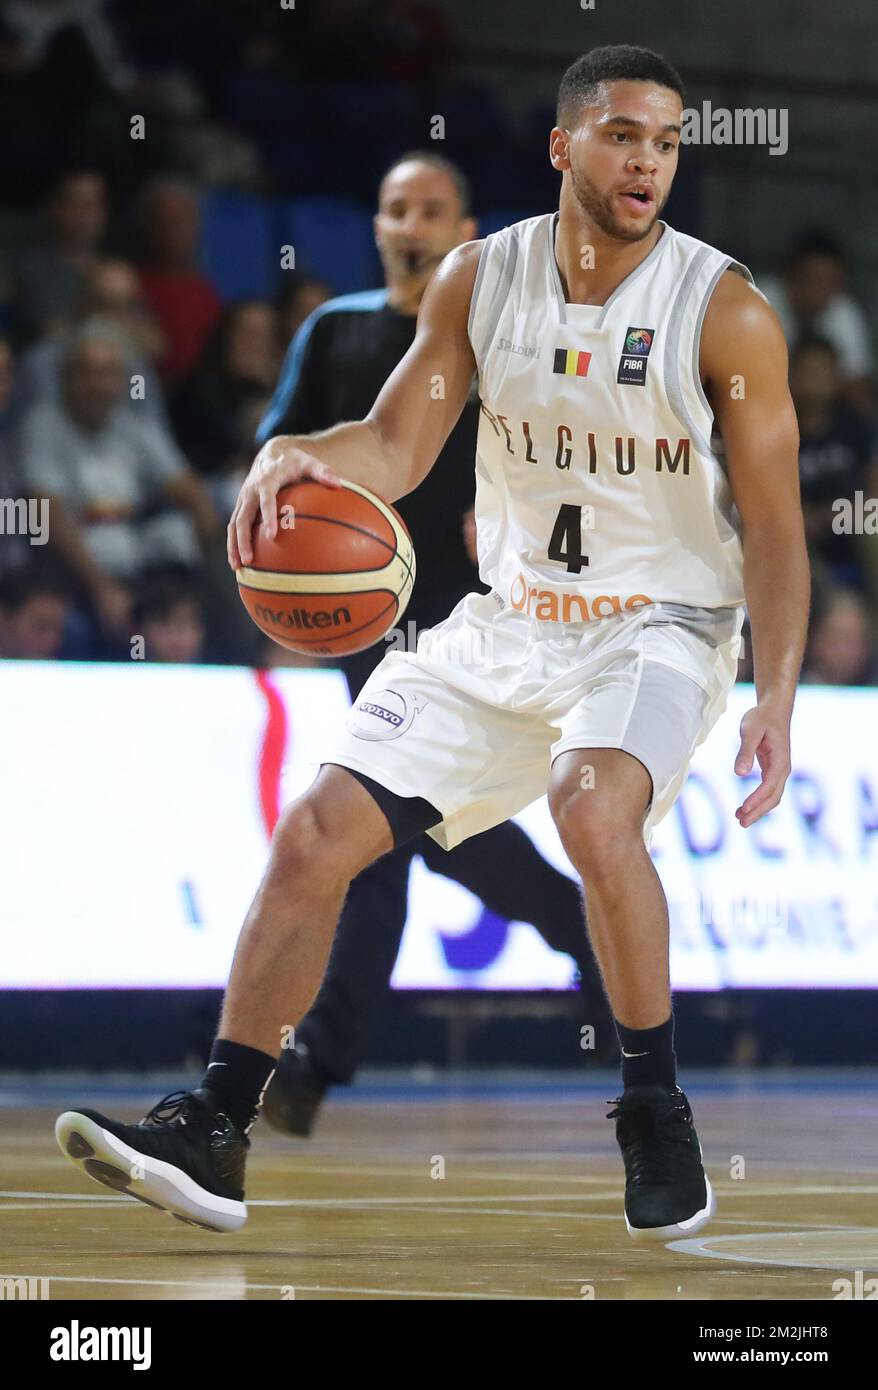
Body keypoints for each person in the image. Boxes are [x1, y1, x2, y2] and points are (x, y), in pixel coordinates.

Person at [56, 45, 809, 1243]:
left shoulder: (721, 307)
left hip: (660, 624)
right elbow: (394, 443)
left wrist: (773, 692)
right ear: (562, 148)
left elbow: (772, 524)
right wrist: (297, 454)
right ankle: (214, 1125)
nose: (646, 162)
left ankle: (653, 1108)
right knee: (315, 833)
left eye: (665, 142)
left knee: (587, 805)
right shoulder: (477, 276)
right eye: (622, 136)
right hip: (508, 621)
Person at [257, 151, 605, 1136]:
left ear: (463, 235)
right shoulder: (333, 329)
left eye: (431, 209)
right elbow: (278, 449)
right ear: (375, 227)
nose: (409, 223)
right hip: (367, 615)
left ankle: (312, 1067)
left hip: (478, 618)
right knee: (406, 825)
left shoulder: (501, 339)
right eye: (393, 207)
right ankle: (580, 931)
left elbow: (567, 460)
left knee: (385, 829)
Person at [17, 320, 218, 641]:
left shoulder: (133, 426)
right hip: (67, 565)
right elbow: (44, 513)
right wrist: (102, 588)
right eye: (84, 372)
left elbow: (192, 494)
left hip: (137, 560)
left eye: (107, 373)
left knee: (207, 578)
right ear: (64, 378)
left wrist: (208, 564)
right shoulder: (41, 425)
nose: (96, 383)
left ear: (122, 381)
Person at [760, 233, 875, 416]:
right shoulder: (760, 302)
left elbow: (857, 384)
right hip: (762, 404)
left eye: (825, 283)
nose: (815, 292)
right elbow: (742, 377)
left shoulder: (844, 312)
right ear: (789, 277)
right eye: (808, 279)